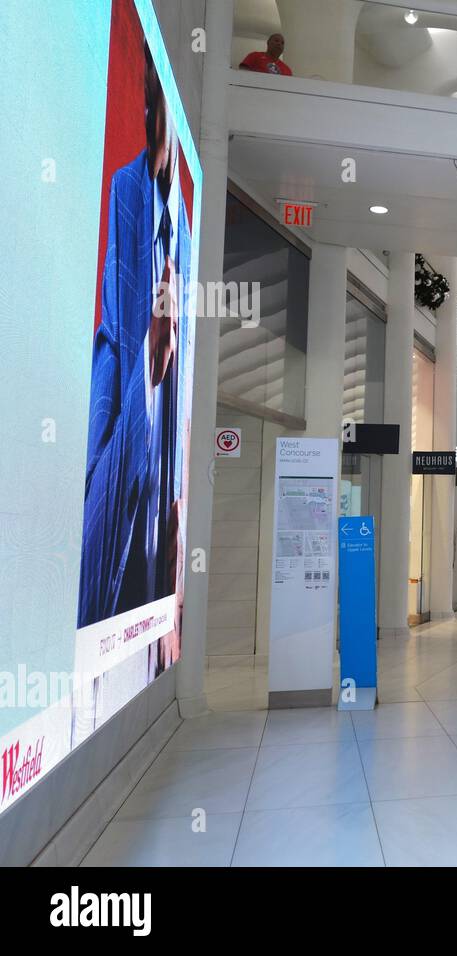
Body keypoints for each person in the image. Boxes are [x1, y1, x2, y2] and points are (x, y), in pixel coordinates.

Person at [80, 45, 190, 632]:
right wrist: (149, 370)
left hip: (160, 474)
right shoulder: (130, 192)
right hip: (125, 406)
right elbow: (130, 346)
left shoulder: (184, 233)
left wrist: (180, 499)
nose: (156, 117)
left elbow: (181, 360)